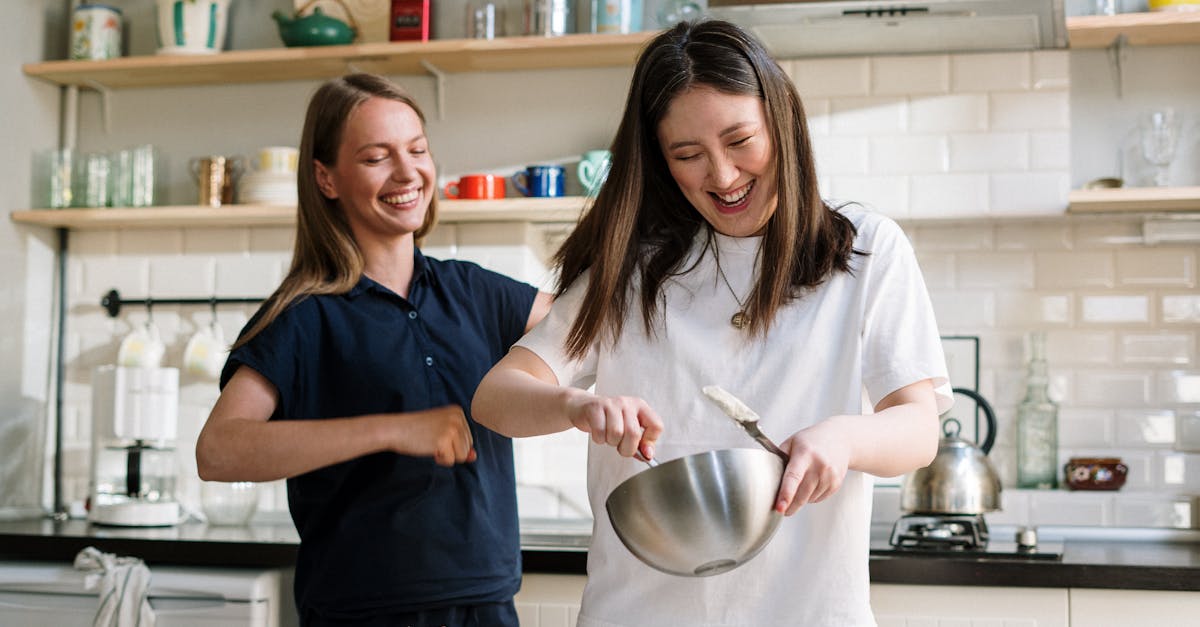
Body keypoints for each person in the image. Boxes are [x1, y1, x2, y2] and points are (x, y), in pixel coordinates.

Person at [472, 20, 951, 626]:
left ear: (783, 124)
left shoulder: (862, 250)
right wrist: (573, 405)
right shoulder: (632, 270)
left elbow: (918, 427)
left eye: (741, 140)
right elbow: (494, 398)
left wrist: (843, 438)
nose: (722, 177)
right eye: (688, 155)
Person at [195, 73, 552, 627]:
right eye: (376, 158)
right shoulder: (301, 316)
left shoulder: (475, 291)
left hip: (486, 604)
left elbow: (593, 324)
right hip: (361, 612)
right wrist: (392, 429)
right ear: (326, 178)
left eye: (417, 150)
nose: (408, 173)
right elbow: (218, 451)